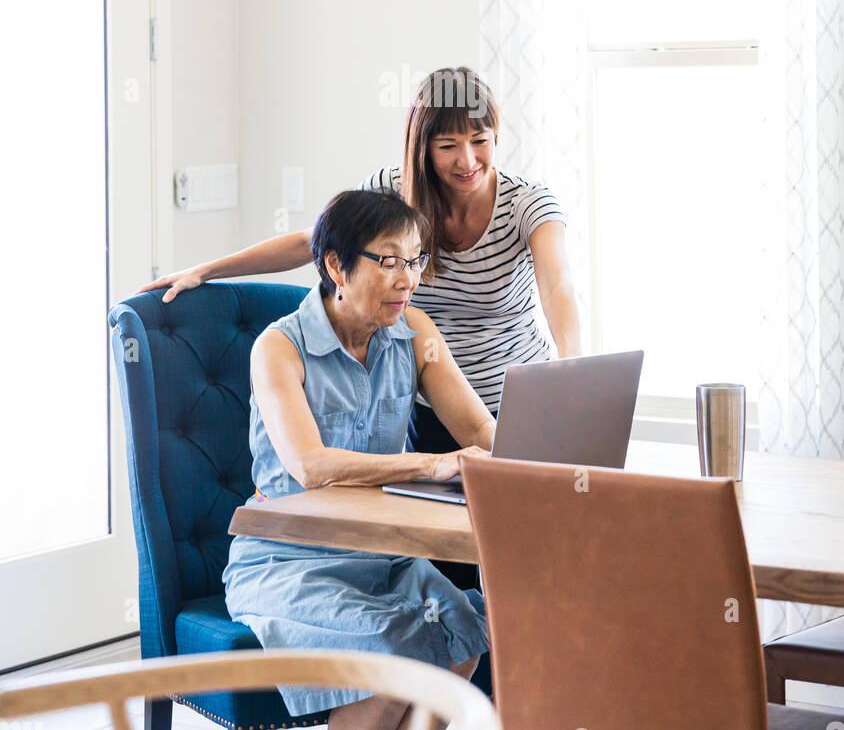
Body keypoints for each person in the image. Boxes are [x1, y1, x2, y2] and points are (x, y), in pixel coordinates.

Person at [142, 65, 582, 590]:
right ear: (422, 147)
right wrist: (209, 269)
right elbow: (322, 238)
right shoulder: (393, 197)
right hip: (428, 407)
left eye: (480, 141)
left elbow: (559, 287)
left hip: (508, 397)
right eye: (447, 145)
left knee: (520, 565)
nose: (467, 160)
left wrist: (571, 370)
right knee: (456, 569)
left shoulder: (525, 203)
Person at [221, 187, 494, 730]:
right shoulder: (279, 347)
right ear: (335, 266)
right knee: (394, 653)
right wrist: (429, 465)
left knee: (469, 632)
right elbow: (310, 465)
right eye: (389, 261)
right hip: (287, 561)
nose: (407, 278)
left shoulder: (415, 335)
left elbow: (480, 431)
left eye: (414, 261)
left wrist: (551, 448)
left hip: (383, 559)